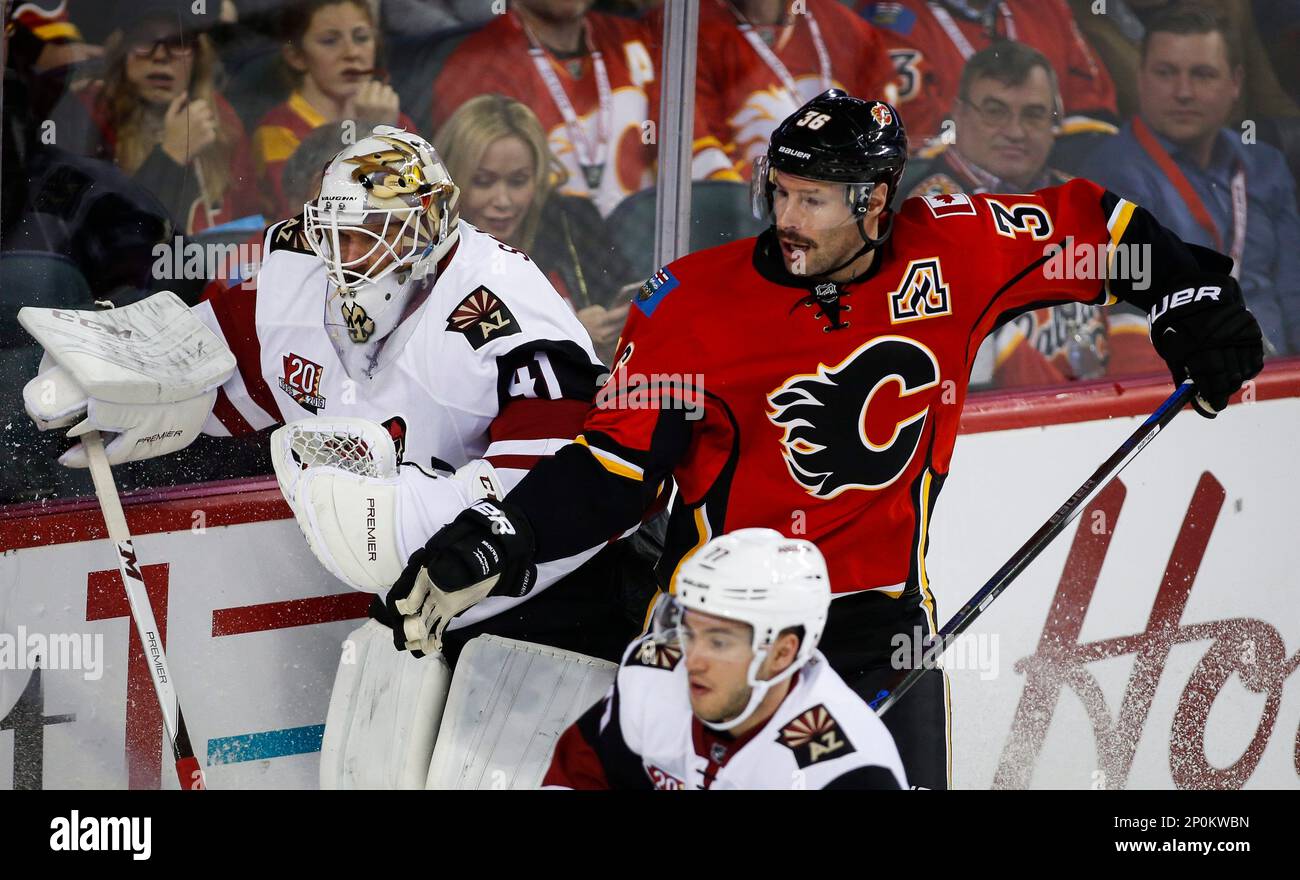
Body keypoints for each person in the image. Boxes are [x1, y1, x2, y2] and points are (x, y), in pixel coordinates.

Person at [378, 90, 1264, 791]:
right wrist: (505, 536)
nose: (788, 218)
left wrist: (1188, 293)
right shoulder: (688, 304)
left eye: (815, 199)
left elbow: (1096, 228)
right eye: (782, 191)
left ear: (877, 203)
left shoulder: (956, 249)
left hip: (881, 626)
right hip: (717, 629)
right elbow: (613, 467)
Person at [22, 125, 641, 665]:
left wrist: (449, 539)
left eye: (370, 233)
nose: (343, 256)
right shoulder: (298, 272)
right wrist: (122, 386)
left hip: (548, 597)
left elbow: (567, 471)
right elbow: (218, 376)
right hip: (412, 597)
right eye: (335, 232)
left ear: (428, 227)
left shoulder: (500, 303)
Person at [544, 529, 908, 789]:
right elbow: (580, 775)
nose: (693, 659)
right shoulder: (654, 672)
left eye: (719, 642)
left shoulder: (841, 772)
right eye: (688, 630)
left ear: (782, 653)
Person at [907, 41, 1164, 386]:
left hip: (1106, 410)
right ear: (959, 113)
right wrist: (1065, 411)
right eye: (995, 111)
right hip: (1006, 423)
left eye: (1033, 114)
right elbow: (961, 352)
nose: (1015, 132)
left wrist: (1129, 397)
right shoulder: (923, 210)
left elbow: (1140, 299)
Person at [1081, 4, 1300, 355]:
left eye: (1202, 74)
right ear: (1141, 78)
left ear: (1235, 84)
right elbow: (1139, 313)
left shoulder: (1265, 166)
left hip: (1282, 379)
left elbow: (1294, 294)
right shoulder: (1110, 178)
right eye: (1166, 73)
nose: (1183, 92)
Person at [429, 0, 735, 217]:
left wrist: (737, 221)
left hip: (646, 255)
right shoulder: (476, 65)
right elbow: (480, 207)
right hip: (553, 267)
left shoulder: (641, 38)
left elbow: (690, 147)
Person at [434, 94, 637, 363]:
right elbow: (451, 359)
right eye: (483, 182)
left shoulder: (571, 221)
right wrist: (571, 335)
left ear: (538, 177)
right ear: (451, 179)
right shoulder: (429, 248)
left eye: (518, 182)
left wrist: (617, 330)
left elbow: (627, 298)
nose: (503, 201)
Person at [50, 0, 259, 235]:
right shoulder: (90, 113)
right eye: (145, 40)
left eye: (177, 42)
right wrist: (170, 157)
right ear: (122, 50)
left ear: (197, 56)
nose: (160, 55)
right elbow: (112, 235)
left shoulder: (221, 119)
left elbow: (250, 221)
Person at [648, 0, 899, 178]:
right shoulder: (684, 26)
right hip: (739, 217)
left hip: (835, 208)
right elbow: (690, 147)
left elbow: (882, 134)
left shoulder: (848, 30)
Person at [854, 0, 1119, 159]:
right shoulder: (887, 17)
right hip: (951, 196)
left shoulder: (1046, 8)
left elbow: (1097, 119)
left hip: (1051, 183)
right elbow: (917, 143)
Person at [252, 0, 415, 220]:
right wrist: (372, 135)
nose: (352, 52)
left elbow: (416, 203)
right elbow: (315, 212)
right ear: (296, 57)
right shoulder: (278, 130)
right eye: (330, 41)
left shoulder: (392, 115)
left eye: (362, 38)